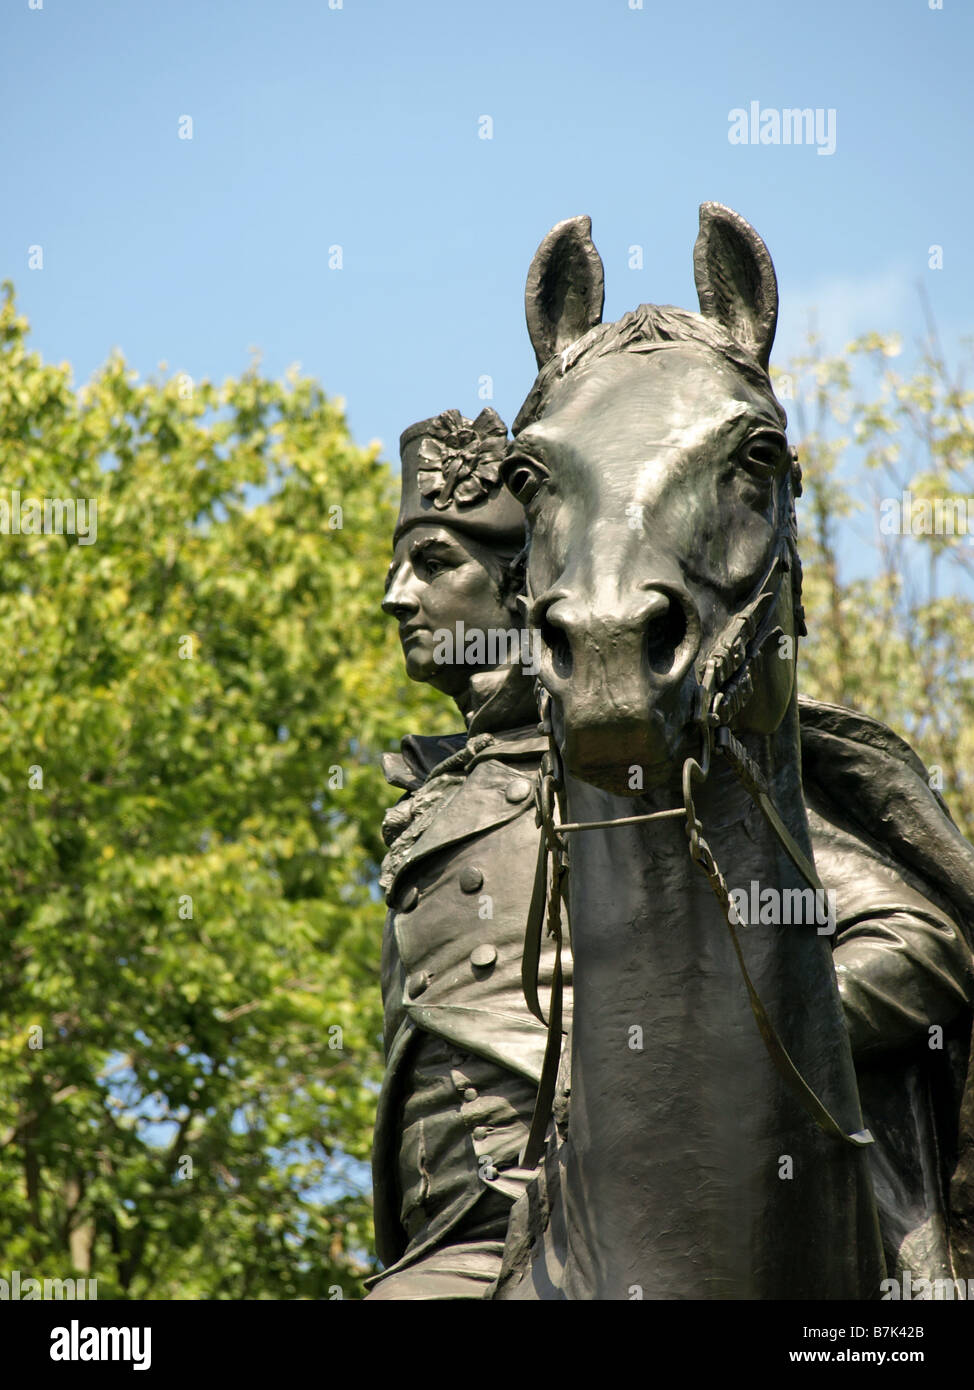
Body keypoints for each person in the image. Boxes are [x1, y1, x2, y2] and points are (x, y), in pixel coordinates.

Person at [365, 407, 565, 1300]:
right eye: (402, 564)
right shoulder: (434, 793)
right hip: (437, 1236)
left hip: (577, 1209)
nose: (394, 595)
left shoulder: (622, 766)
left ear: (520, 586)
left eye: (436, 564)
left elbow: (914, 941)